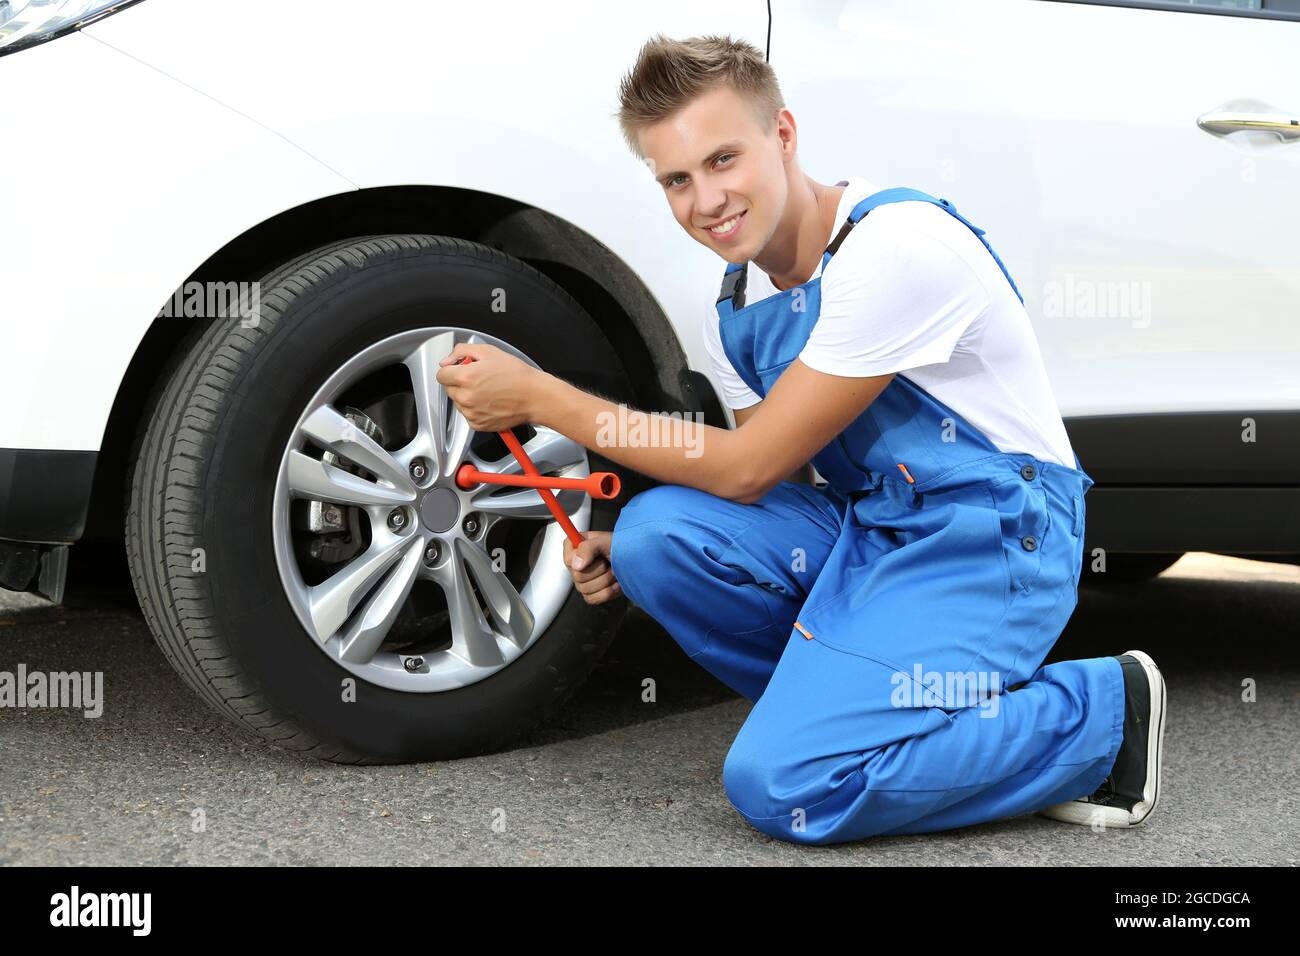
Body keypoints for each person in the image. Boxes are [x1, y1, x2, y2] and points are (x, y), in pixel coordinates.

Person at [434, 33, 1166, 844]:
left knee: (784, 785)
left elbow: (747, 467)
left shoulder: (890, 251)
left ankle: (1098, 719)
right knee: (653, 537)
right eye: (676, 179)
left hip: (992, 536)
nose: (704, 201)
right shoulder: (739, 302)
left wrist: (540, 397)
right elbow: (782, 487)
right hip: (873, 529)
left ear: (782, 135)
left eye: (722, 160)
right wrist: (632, 541)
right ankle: (891, 722)